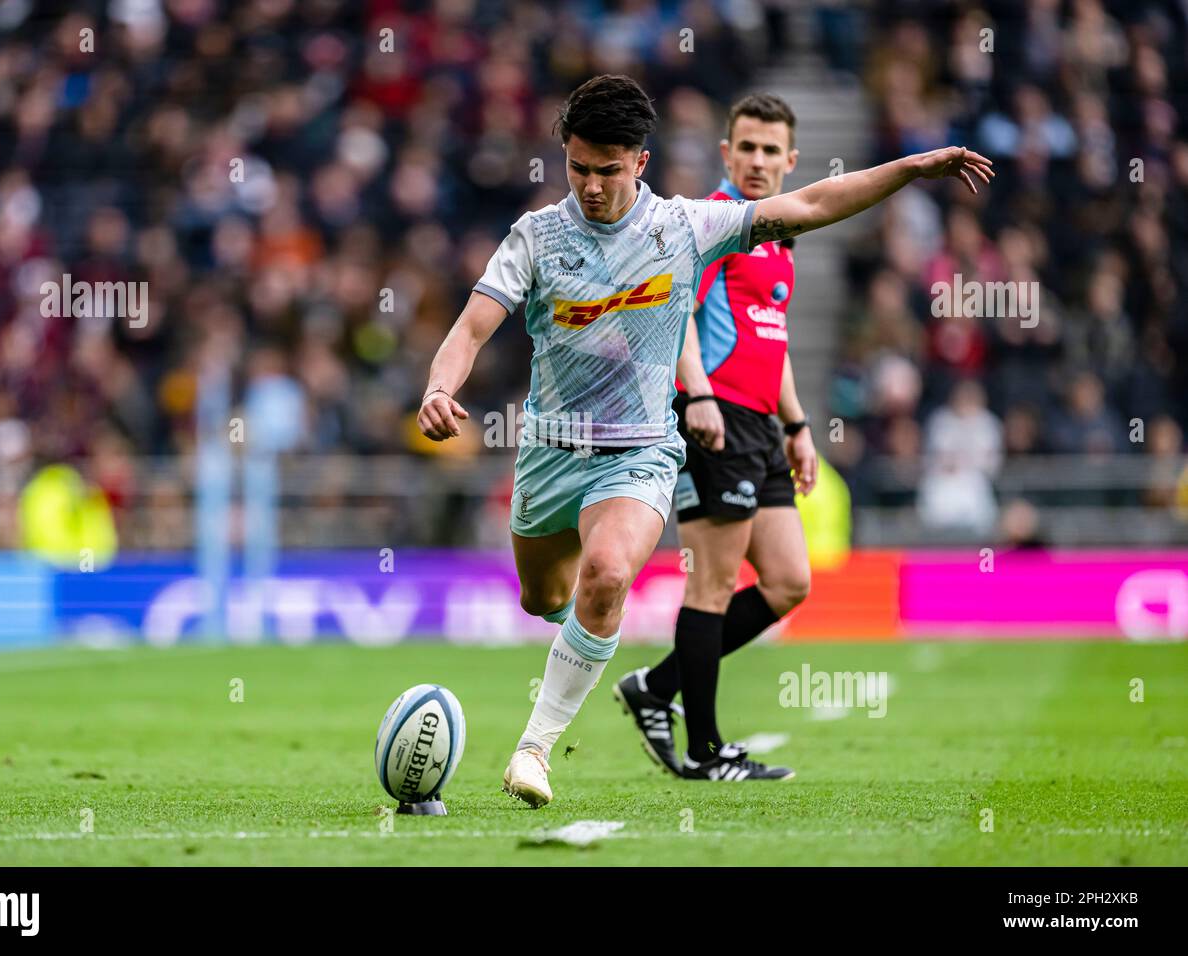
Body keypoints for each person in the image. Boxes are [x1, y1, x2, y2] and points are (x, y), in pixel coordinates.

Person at [418, 74, 992, 808]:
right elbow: (470, 328)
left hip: (640, 452)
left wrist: (911, 169)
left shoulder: (685, 228)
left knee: (607, 574)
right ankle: (593, 655)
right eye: (578, 167)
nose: (591, 186)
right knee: (543, 597)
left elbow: (812, 203)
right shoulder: (537, 236)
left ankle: (534, 749)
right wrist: (440, 388)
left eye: (608, 169)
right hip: (549, 454)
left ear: (641, 163)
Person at [613, 93, 816, 781]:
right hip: (715, 415)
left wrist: (798, 425)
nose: (758, 161)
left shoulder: (779, 238)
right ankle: (704, 749)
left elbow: (774, 339)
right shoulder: (708, 226)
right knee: (713, 583)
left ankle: (656, 687)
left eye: (771, 150)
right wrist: (695, 393)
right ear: (727, 153)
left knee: (788, 581)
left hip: (762, 423)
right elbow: (676, 318)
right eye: (747, 148)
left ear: (791, 161)